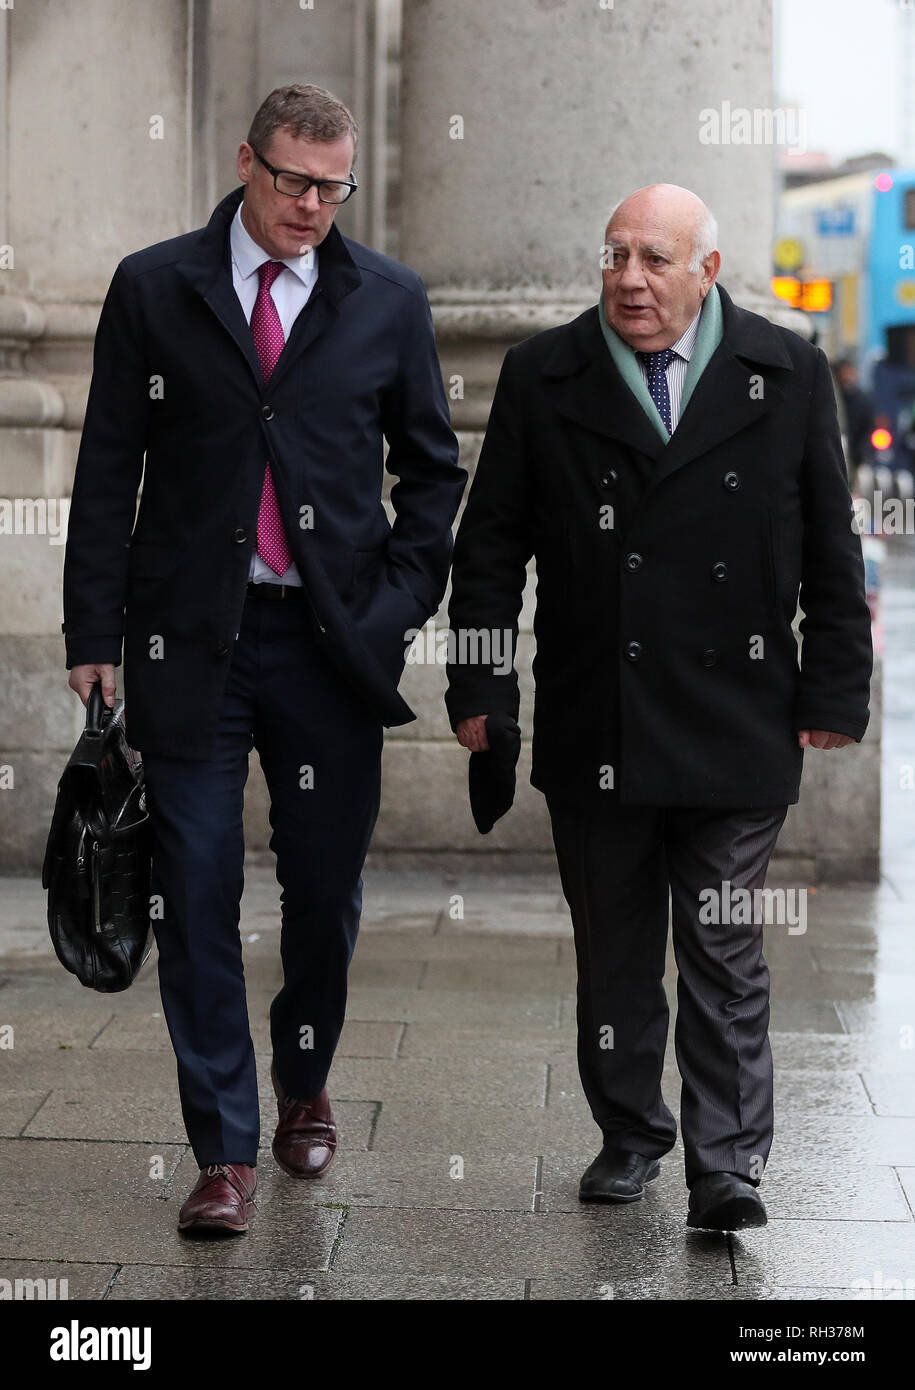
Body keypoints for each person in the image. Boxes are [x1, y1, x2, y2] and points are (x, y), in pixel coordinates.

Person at [62, 84, 465, 1234]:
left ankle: (304, 1075)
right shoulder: (156, 288)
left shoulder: (385, 299)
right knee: (191, 893)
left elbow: (433, 474)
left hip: (330, 646)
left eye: (333, 187)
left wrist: (392, 606)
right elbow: (106, 469)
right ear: (246, 161)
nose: (312, 205)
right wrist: (94, 633)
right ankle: (223, 1149)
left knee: (323, 896)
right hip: (190, 641)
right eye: (293, 179)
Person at [445, 183, 872, 1231]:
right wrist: (481, 684)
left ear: (708, 270)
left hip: (740, 714)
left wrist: (834, 688)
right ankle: (632, 1132)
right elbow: (491, 548)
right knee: (618, 948)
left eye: (654, 259)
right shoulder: (545, 374)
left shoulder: (788, 370)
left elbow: (832, 546)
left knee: (723, 943)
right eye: (615, 256)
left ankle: (727, 1162)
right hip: (602, 718)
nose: (629, 279)